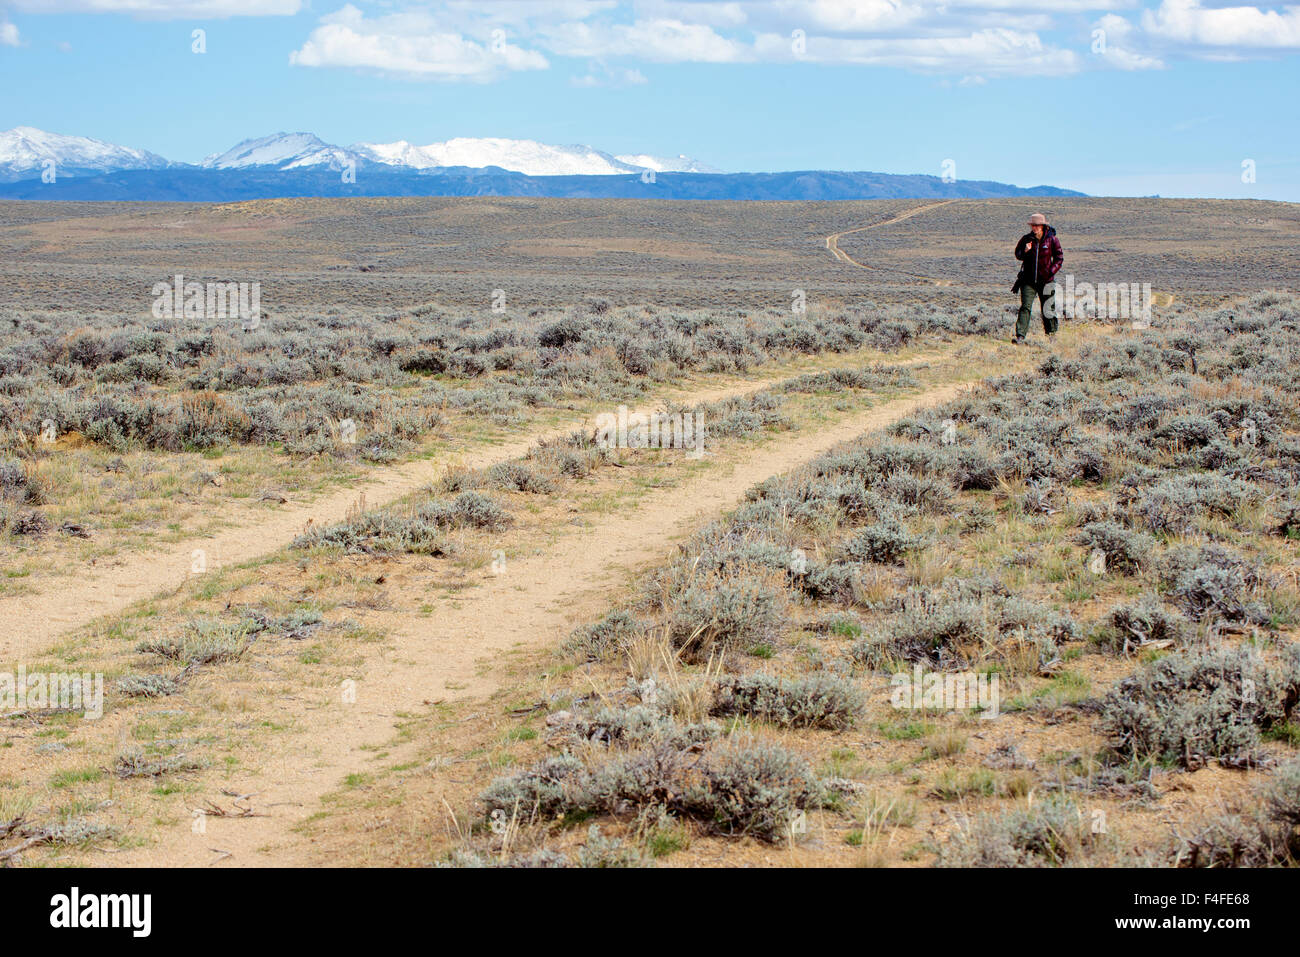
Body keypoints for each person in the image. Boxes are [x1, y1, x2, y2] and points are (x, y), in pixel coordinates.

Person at [1012, 212, 1063, 344]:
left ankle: (1051, 336)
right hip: (1028, 281)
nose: (1033, 228)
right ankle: (1020, 336)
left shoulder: (1052, 240)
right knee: (1025, 307)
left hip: (1046, 281)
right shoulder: (1026, 239)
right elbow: (1018, 254)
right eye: (1032, 225)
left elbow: (1059, 258)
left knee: (1048, 308)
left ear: (1042, 226)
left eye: (1036, 225)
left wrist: (1050, 272)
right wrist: (1025, 251)